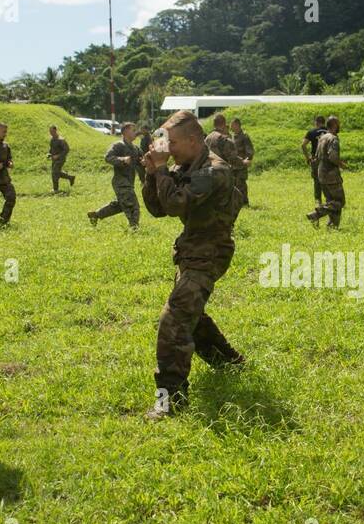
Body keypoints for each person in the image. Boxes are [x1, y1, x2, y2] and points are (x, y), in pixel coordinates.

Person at [141, 111, 245, 420]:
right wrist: (152, 173)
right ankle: (229, 363)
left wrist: (161, 171)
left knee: (173, 321)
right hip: (190, 251)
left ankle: (169, 399)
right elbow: (158, 208)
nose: (168, 148)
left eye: (172, 142)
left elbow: (175, 204)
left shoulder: (215, 171)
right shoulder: (183, 166)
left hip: (210, 252)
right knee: (191, 315)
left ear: (192, 140)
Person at [88, 121, 143, 229]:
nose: (135, 133)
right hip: (120, 182)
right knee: (132, 205)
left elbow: (141, 160)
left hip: (129, 181)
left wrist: (145, 162)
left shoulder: (135, 148)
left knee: (120, 205)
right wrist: (122, 159)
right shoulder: (118, 145)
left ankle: (96, 215)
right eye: (133, 130)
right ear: (125, 131)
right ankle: (134, 228)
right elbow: (108, 157)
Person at [306, 115, 345, 228]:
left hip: (321, 173)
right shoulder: (333, 138)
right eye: (338, 123)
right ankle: (316, 214)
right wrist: (340, 163)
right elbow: (332, 156)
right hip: (331, 174)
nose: (340, 126)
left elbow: (317, 156)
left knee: (331, 201)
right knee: (339, 201)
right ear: (334, 125)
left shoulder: (322, 138)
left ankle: (332, 225)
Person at [302, 115, 328, 204]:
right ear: (324, 122)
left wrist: (307, 157)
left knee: (317, 180)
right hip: (328, 160)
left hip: (316, 159)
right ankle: (330, 199)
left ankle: (318, 200)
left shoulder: (311, 132)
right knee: (328, 179)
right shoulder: (329, 132)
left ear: (316, 122)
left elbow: (303, 145)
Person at [229, 117, 253, 207]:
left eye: (232, 125)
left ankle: (244, 203)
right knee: (233, 185)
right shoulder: (232, 136)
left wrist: (248, 160)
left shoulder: (244, 136)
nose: (231, 127)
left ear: (237, 125)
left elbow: (249, 150)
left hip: (241, 165)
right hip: (233, 165)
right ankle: (235, 203)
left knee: (241, 184)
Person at [49, 124, 75, 192]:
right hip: (54, 159)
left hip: (60, 159)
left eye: (52, 131)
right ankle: (70, 177)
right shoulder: (52, 139)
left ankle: (55, 189)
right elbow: (52, 148)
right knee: (56, 173)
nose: (50, 133)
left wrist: (58, 156)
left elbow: (67, 150)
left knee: (54, 172)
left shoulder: (61, 140)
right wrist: (49, 154)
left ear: (55, 131)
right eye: (50, 131)